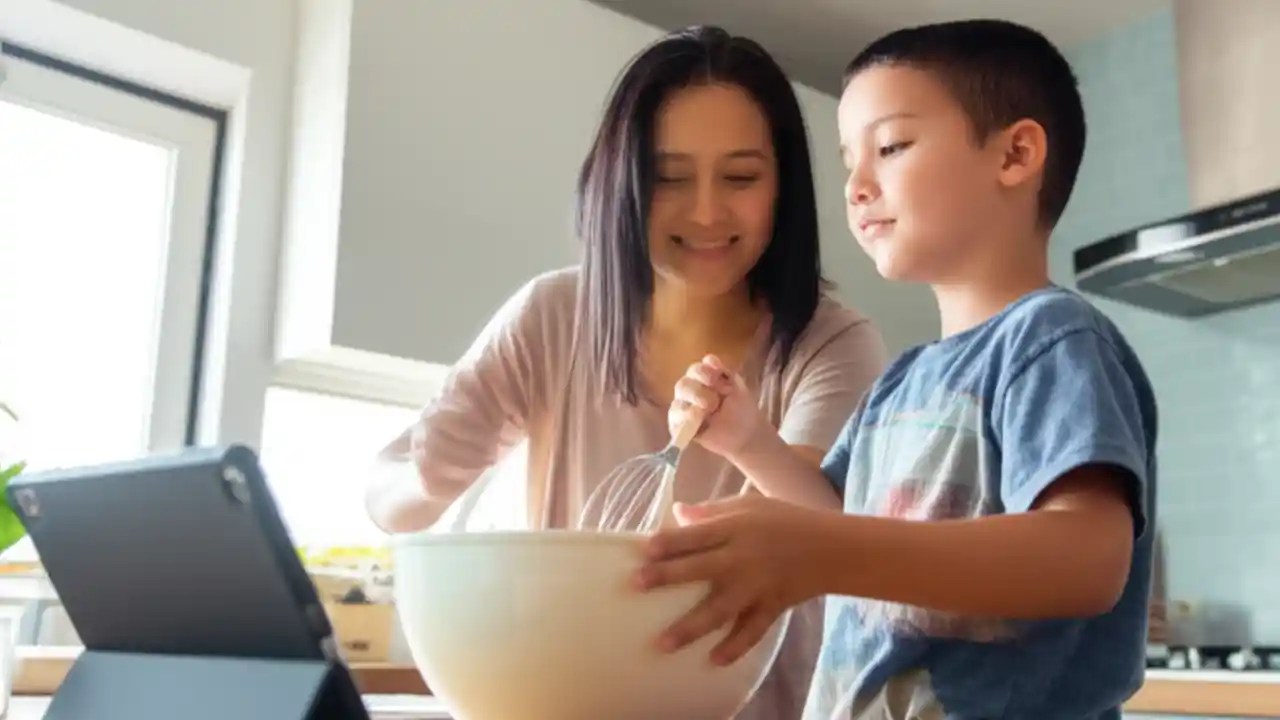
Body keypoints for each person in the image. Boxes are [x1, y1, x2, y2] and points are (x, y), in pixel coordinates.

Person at [637, 19, 1159, 720]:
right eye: (850, 159)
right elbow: (839, 522)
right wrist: (748, 442)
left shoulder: (1051, 340)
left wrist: (820, 549)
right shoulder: (902, 380)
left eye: (889, 147)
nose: (855, 185)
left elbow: (1088, 560)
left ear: (1016, 154)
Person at [365, 25, 889, 719]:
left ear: (782, 188)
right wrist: (429, 471)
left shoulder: (832, 342)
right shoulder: (551, 316)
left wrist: (749, 442)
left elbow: (824, 537)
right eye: (670, 176)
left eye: (740, 177)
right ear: (623, 183)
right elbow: (390, 500)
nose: (706, 211)